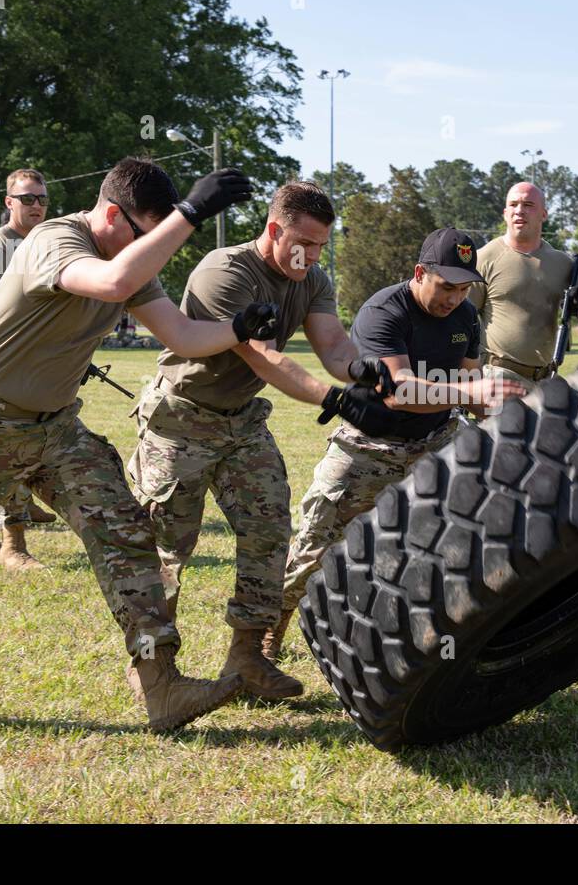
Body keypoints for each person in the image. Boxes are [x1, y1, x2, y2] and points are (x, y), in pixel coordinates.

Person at [0, 157, 278, 733]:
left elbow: (185, 336)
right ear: (112, 214)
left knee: (127, 530)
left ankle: (160, 684)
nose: (153, 248)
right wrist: (191, 213)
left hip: (55, 430)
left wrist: (239, 327)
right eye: (148, 233)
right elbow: (111, 283)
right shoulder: (53, 239)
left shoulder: (131, 256)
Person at [126, 181, 399, 700]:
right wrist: (335, 400)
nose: (313, 256)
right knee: (166, 551)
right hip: (180, 421)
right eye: (304, 243)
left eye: (321, 246)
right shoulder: (224, 272)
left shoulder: (311, 277)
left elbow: (335, 343)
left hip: (242, 422)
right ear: (274, 230)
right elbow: (263, 357)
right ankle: (155, 674)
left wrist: (362, 370)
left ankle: (248, 659)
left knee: (269, 534)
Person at [275, 228, 524, 655]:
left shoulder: (465, 317)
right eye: (446, 286)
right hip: (370, 443)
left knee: (467, 537)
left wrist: (505, 404)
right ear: (419, 273)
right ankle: (269, 632)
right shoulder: (383, 311)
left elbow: (469, 381)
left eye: (464, 289)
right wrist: (470, 393)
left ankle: (446, 637)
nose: (454, 298)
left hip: (435, 439)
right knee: (316, 548)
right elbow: (398, 390)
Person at [0, 169, 59, 571]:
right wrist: (1, 352)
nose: (36, 205)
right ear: (9, 203)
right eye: (27, 199)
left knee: (23, 444)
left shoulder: (37, 240)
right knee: (12, 445)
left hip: (29, 361)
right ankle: (12, 544)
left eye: (41, 198)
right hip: (0, 364)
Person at [470, 182, 578, 392]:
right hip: (498, 376)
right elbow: (459, 317)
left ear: (544, 214)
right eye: (513, 204)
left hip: (545, 379)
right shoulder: (484, 258)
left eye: (528, 204)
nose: (519, 210)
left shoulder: (564, 264)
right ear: (505, 213)